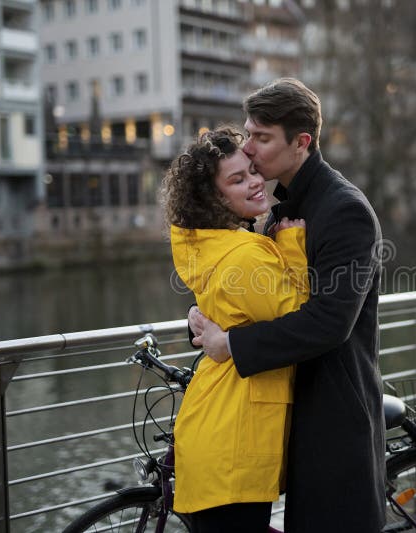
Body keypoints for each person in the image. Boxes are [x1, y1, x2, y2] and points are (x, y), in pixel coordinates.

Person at [192, 78, 385, 532]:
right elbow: (260, 298)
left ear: (302, 142)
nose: (251, 149)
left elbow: (329, 321)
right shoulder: (280, 209)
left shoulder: (344, 210)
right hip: (284, 406)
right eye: (248, 134)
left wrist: (232, 345)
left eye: (262, 137)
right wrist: (204, 323)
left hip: (332, 414)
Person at [162, 126, 309, 532]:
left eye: (252, 171)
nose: (256, 182)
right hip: (233, 441)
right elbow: (304, 318)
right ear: (215, 198)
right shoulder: (245, 255)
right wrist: (293, 248)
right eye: (237, 179)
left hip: (217, 429)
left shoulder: (209, 244)